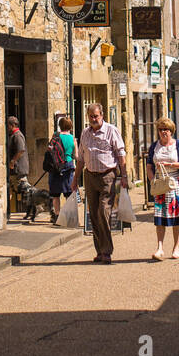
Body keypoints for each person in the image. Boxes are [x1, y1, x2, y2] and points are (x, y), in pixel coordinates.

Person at [76, 103, 129, 264]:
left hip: (108, 176)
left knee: (103, 211)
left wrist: (124, 175)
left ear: (102, 115)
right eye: (91, 116)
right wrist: (74, 180)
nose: (93, 119)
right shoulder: (85, 133)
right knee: (93, 214)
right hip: (90, 177)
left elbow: (121, 154)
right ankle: (99, 251)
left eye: (96, 116)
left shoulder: (111, 131)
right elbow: (80, 159)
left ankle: (107, 251)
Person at [146, 118, 179, 260]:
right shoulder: (154, 146)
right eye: (160, 129)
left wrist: (170, 165)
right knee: (160, 217)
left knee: (176, 217)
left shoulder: (178, 145)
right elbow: (149, 165)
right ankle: (159, 248)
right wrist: (152, 180)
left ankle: (176, 246)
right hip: (160, 184)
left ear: (171, 131)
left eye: (165, 129)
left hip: (175, 184)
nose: (163, 132)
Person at [43, 115, 76, 221]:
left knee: (55, 194)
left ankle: (57, 216)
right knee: (68, 193)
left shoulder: (55, 137)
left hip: (56, 167)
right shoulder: (73, 139)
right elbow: (76, 156)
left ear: (60, 126)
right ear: (70, 126)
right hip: (69, 165)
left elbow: (50, 152)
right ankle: (69, 216)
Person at [7, 116, 28, 190]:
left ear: (12, 125)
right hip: (14, 172)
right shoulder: (12, 135)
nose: (7, 127)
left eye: (8, 125)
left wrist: (12, 161)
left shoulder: (17, 135)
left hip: (19, 171)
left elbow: (21, 150)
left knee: (22, 193)